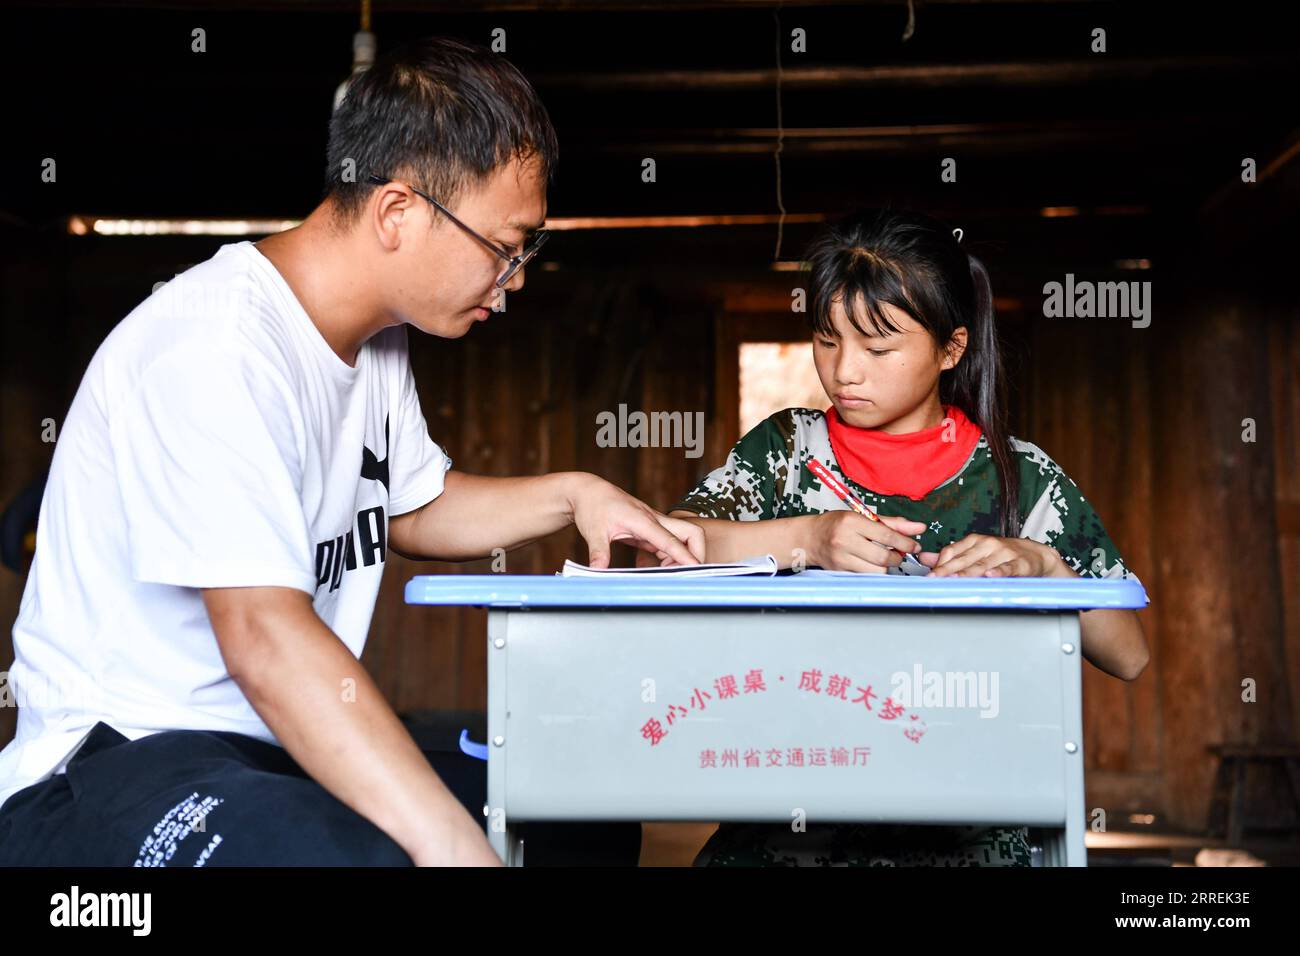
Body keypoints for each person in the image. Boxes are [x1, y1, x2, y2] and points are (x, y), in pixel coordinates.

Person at [0, 36, 702, 867]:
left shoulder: (375, 345)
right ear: (398, 211)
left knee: (573, 809)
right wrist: (451, 845)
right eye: (506, 246)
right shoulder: (215, 345)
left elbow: (411, 504)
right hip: (120, 762)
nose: (514, 278)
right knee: (375, 855)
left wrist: (575, 493)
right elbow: (262, 635)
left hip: (270, 755)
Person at [665, 207, 1149, 866]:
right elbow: (677, 544)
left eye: (879, 346)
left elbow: (1128, 654)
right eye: (827, 339)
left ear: (951, 349)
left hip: (970, 834)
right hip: (791, 820)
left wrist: (1046, 568)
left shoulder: (1020, 478)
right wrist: (808, 538)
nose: (845, 372)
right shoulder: (786, 451)